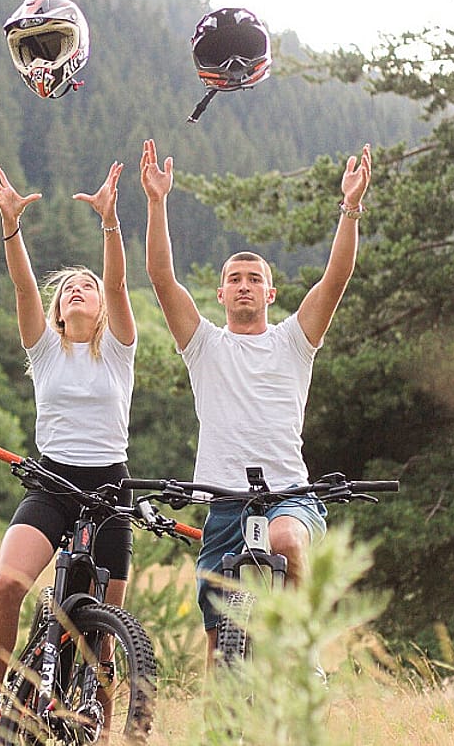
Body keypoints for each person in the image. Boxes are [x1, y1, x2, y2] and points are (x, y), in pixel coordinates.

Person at [139, 138, 372, 663]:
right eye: (233, 279)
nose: (243, 286)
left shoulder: (294, 340)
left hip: (288, 493)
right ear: (220, 294)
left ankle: (301, 651)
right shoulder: (204, 345)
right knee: (222, 649)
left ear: (270, 293)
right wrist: (156, 202)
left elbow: (335, 279)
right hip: (223, 505)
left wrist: (351, 207)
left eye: (254, 279)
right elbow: (160, 277)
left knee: (288, 541)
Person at [0, 163, 138, 742]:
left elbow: (118, 284)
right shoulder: (44, 350)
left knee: (106, 632)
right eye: (68, 289)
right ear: (59, 311)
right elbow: (23, 286)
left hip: (111, 487)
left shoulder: (118, 349)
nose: (79, 291)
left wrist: (111, 223)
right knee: (7, 585)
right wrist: (12, 227)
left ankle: (99, 729)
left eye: (85, 285)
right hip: (52, 483)